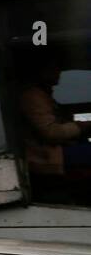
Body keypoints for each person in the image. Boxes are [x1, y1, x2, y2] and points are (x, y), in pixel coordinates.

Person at [17, 52, 91, 180]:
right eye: (55, 68)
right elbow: (50, 131)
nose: (59, 72)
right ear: (42, 71)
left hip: (57, 149)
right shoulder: (32, 96)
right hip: (47, 156)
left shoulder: (43, 94)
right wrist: (80, 127)